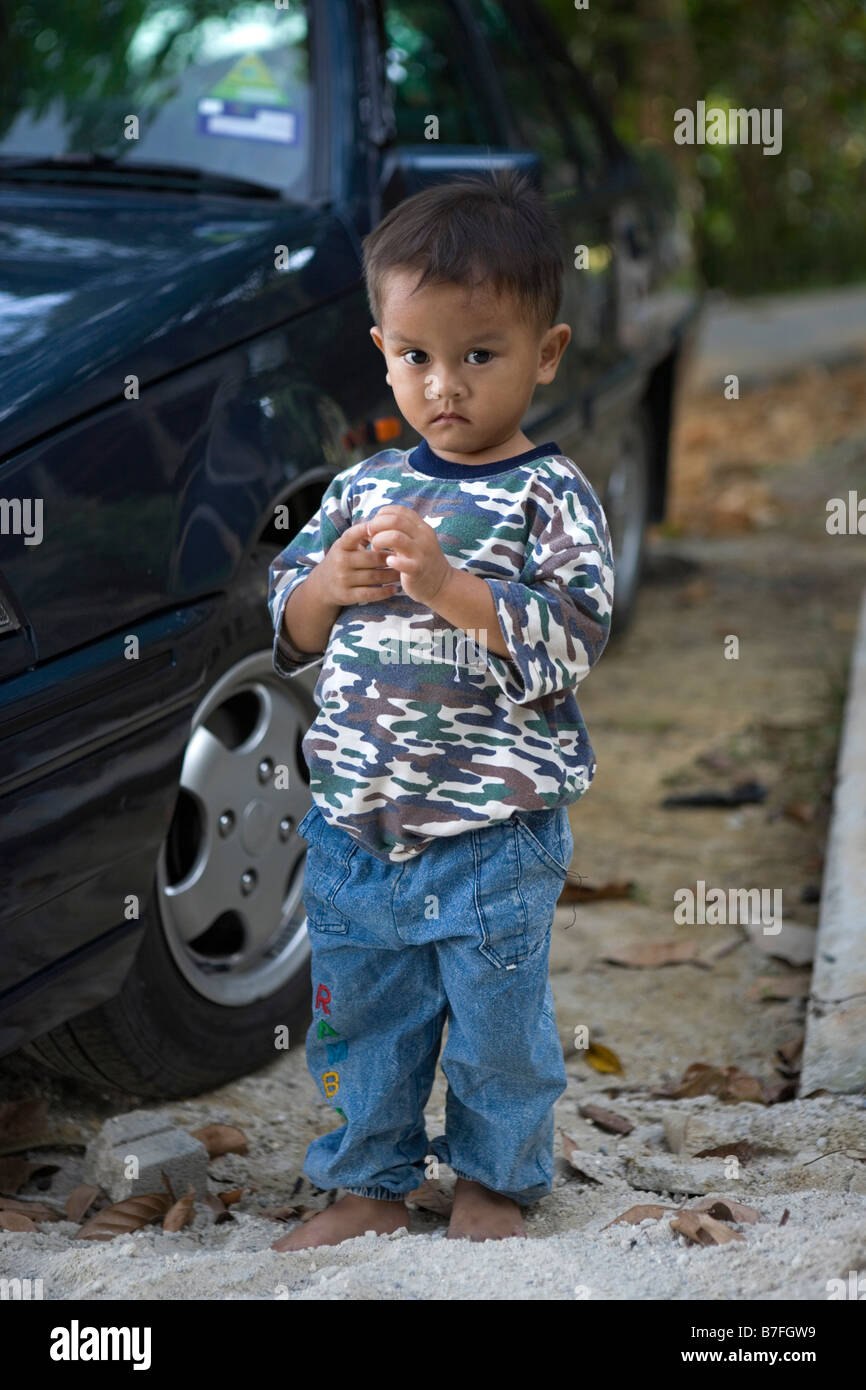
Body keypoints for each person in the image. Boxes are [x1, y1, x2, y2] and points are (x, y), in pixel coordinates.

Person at [266, 170, 614, 1249]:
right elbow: (285, 621)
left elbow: (573, 638)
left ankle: (494, 1179)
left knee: (495, 1027)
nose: (443, 385)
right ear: (382, 350)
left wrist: (450, 589)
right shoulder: (360, 490)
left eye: (477, 355)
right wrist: (326, 588)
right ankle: (365, 1180)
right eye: (415, 357)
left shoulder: (548, 494)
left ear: (543, 353)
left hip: (489, 833)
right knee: (363, 1017)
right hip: (357, 823)